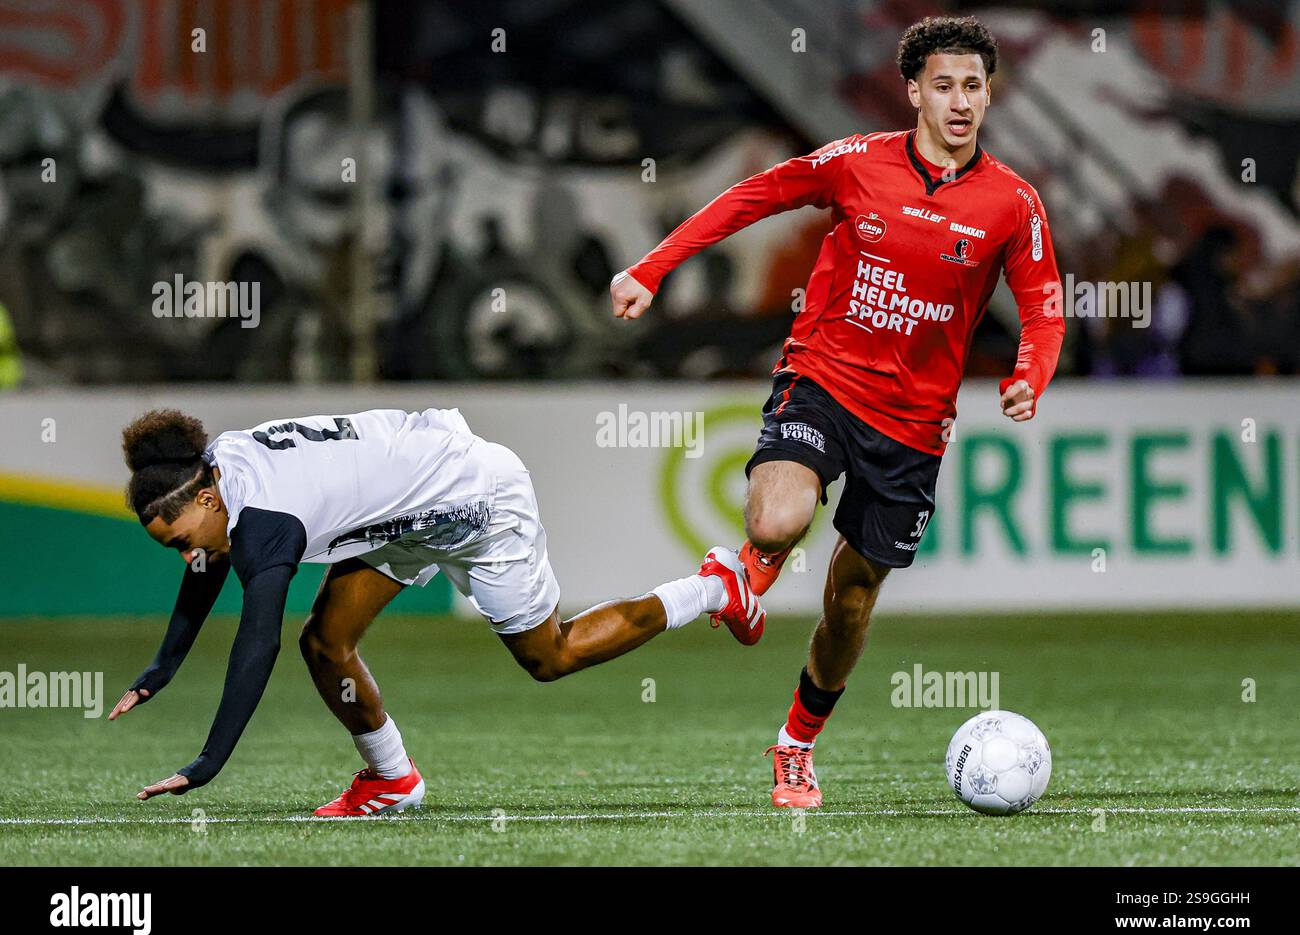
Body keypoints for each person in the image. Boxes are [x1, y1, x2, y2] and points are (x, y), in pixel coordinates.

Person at [609, 15, 1064, 808]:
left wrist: (1032, 372)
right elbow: (753, 198)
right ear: (915, 91)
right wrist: (653, 268)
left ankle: (795, 744)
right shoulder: (858, 162)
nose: (960, 101)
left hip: (915, 427)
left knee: (849, 605)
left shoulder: (1011, 204)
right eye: (945, 85)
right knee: (777, 519)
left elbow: (1045, 308)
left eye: (975, 86)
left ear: (990, 95)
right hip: (823, 380)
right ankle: (748, 572)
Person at [108, 406, 764, 815]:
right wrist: (161, 668)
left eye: (180, 539)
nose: (185, 555)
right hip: (406, 503)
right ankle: (392, 780)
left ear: (205, 503)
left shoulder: (263, 524)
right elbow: (206, 563)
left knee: (550, 656)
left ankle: (714, 587)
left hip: (473, 498)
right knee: (326, 641)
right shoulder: (214, 468)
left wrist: (209, 763)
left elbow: (257, 646)